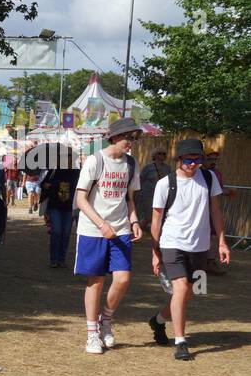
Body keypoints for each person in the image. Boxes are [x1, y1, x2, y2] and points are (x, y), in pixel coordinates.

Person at [147, 138, 230, 360]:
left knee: (189, 293)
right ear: (179, 159)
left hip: (200, 246)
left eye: (198, 160)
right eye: (189, 160)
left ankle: (158, 320)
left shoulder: (209, 178)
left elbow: (215, 212)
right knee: (181, 289)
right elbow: (156, 220)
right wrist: (155, 252)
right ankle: (181, 342)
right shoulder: (165, 184)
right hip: (172, 243)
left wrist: (221, 242)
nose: (194, 165)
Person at [74, 117, 144, 355]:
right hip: (93, 229)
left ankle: (106, 320)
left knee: (123, 279)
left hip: (121, 229)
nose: (132, 143)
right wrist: (101, 224)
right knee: (96, 281)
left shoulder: (132, 164)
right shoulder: (95, 161)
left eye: (134, 138)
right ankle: (92, 334)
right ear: (114, 137)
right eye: (128, 138)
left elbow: (130, 199)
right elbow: (80, 199)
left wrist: (134, 220)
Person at [41, 153, 78, 268]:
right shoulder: (54, 171)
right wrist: (45, 185)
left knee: (66, 234)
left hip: (69, 207)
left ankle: (61, 259)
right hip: (55, 206)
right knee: (56, 232)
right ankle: (54, 259)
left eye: (69, 158)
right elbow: (42, 184)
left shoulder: (76, 172)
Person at [137, 148, 169, 236]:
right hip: (149, 195)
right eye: (159, 153)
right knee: (148, 216)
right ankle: (137, 233)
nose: (162, 155)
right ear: (154, 155)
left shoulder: (167, 168)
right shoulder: (148, 168)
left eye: (163, 153)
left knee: (161, 216)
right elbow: (141, 179)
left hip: (162, 195)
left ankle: (157, 237)